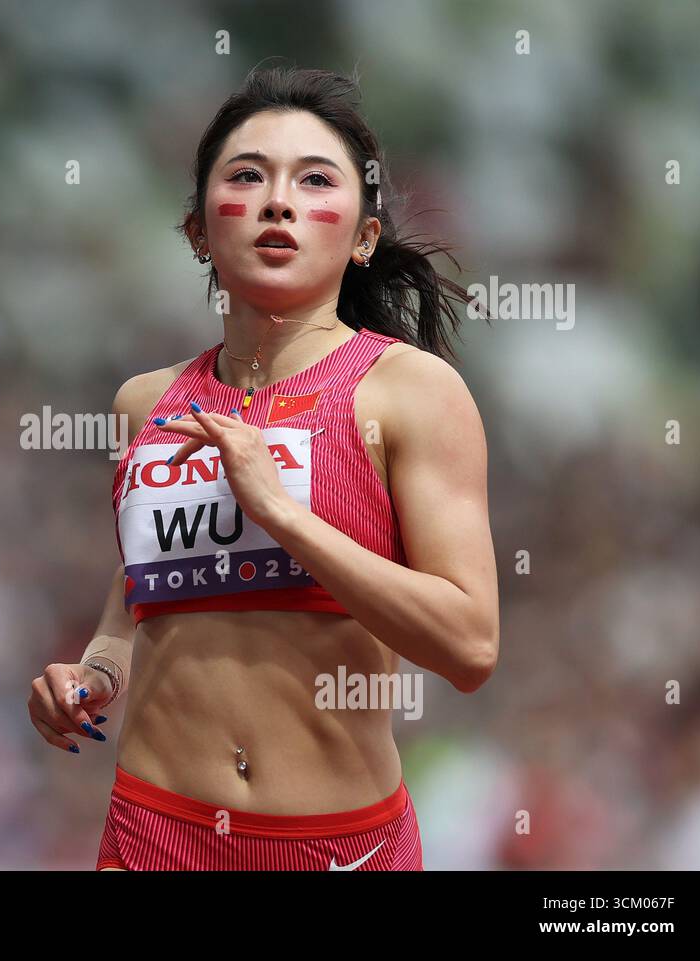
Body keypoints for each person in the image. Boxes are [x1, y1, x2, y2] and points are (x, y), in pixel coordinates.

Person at [27, 65, 499, 870]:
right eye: (247, 176)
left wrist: (283, 514)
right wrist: (96, 674)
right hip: (153, 832)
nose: (279, 201)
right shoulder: (144, 404)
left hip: (339, 846)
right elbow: (142, 588)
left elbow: (469, 644)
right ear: (198, 232)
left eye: (315, 180)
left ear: (362, 237)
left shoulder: (412, 391)